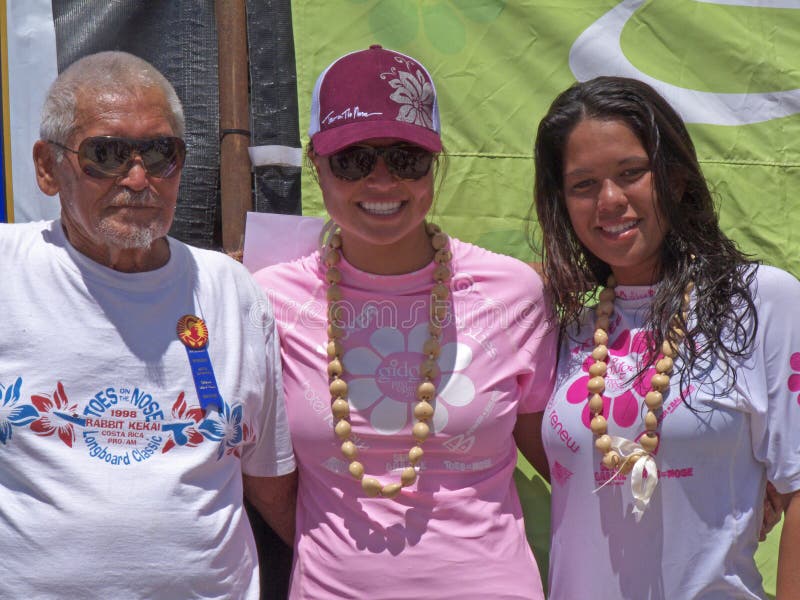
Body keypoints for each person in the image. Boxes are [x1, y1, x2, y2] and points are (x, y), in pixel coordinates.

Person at [252, 45, 556, 599]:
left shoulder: (514, 294)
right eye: (353, 160)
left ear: (434, 166)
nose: (383, 181)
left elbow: (567, 456)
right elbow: (262, 475)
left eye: (407, 158)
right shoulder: (268, 302)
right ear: (316, 164)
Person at [0, 51, 296, 599]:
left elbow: (270, 483)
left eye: (161, 153)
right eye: (106, 154)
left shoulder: (233, 294)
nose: (138, 179)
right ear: (47, 167)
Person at [532, 75, 800, 599]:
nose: (609, 199)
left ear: (675, 178)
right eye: (583, 185)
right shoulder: (563, 322)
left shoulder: (762, 301)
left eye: (631, 173)